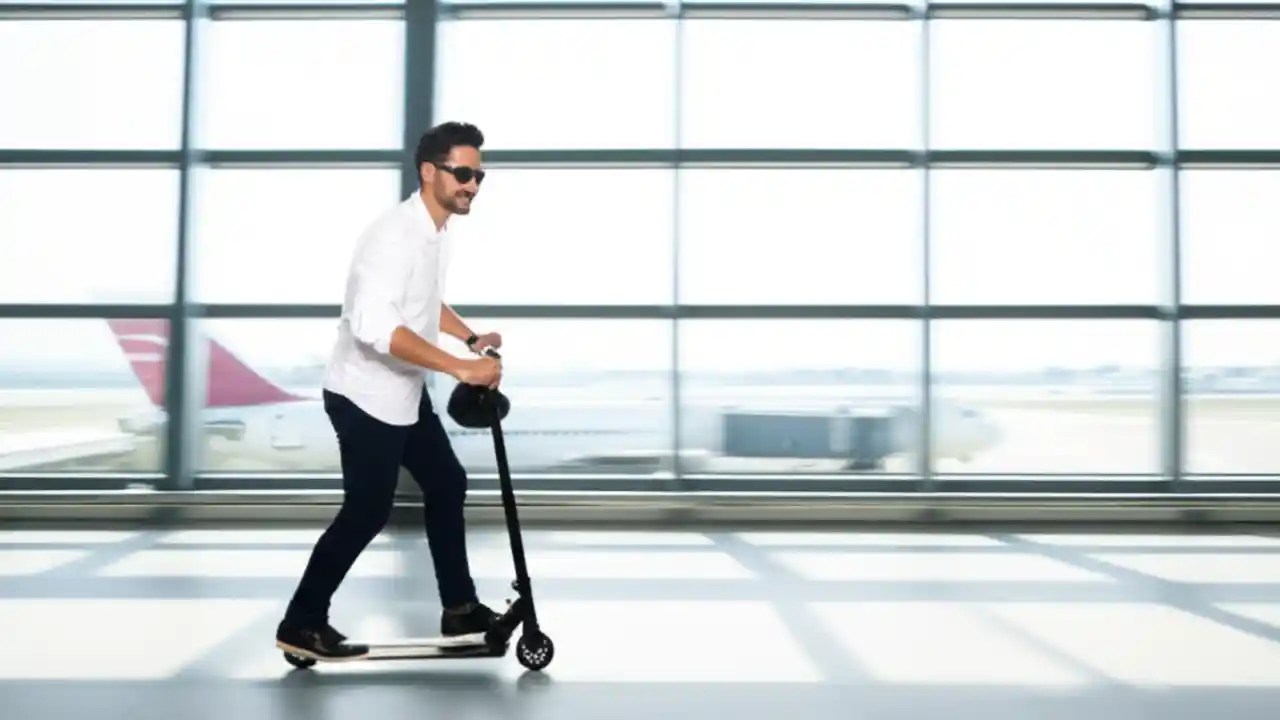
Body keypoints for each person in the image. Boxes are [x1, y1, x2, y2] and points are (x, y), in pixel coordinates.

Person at [276, 121, 503, 661]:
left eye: (479, 176)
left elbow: (423, 301)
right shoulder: (392, 237)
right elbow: (377, 326)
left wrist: (469, 337)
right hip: (364, 396)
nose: (472, 185)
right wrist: (460, 368)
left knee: (447, 483)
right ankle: (301, 622)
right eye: (462, 173)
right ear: (429, 172)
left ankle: (459, 608)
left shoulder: (438, 231)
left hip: (403, 390)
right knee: (366, 511)